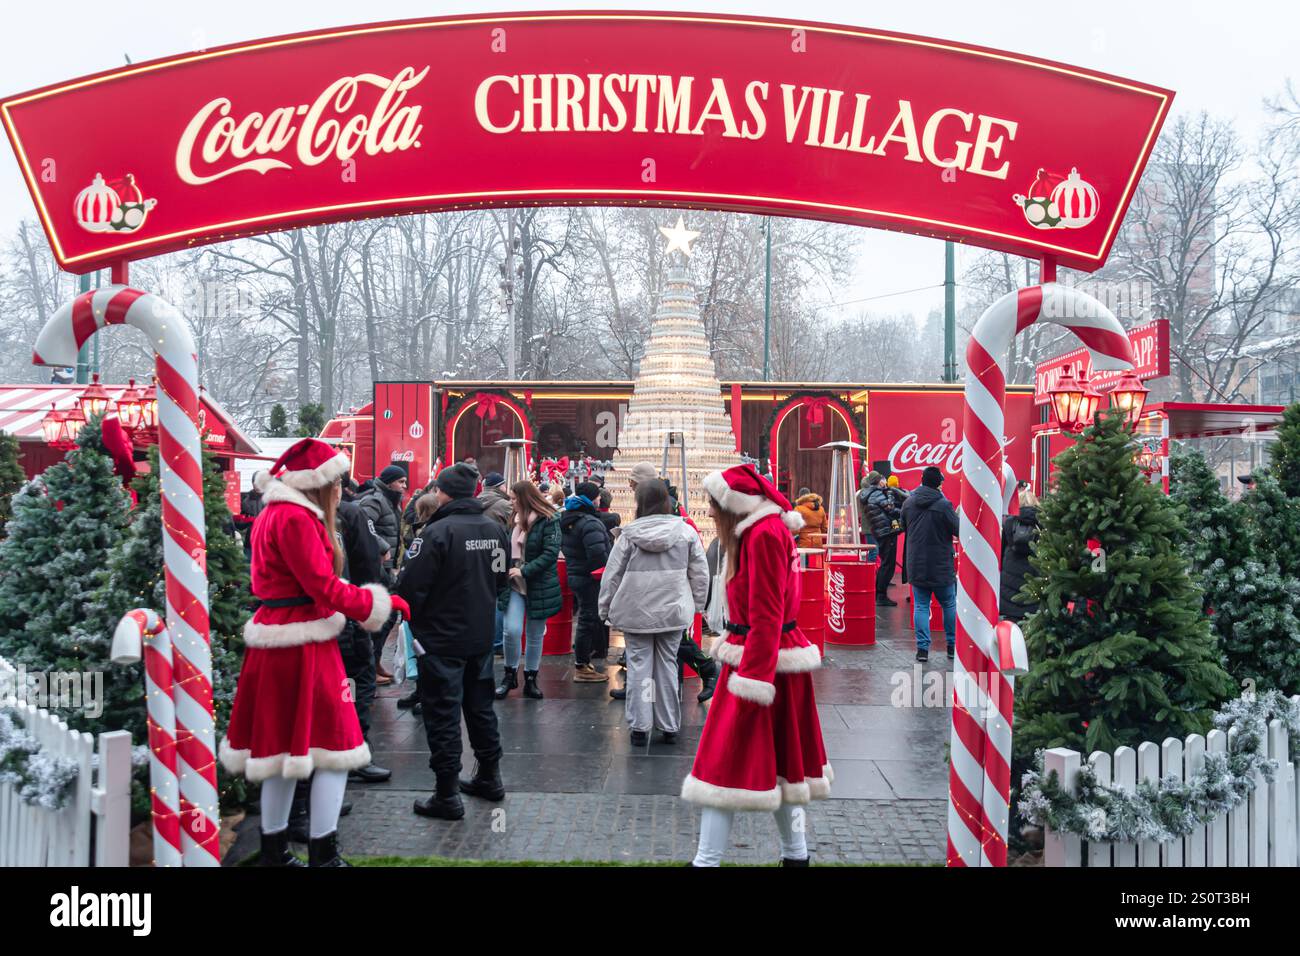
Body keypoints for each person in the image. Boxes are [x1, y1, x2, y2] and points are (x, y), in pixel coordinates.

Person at [219, 438, 408, 867]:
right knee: (337, 747)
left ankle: (275, 851)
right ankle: (323, 853)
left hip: (277, 639)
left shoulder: (272, 513)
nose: (342, 487)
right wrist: (377, 604)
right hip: (304, 644)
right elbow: (322, 586)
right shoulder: (299, 519)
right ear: (320, 483)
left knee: (281, 753)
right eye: (337, 480)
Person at [682, 464, 829, 867]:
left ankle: (706, 862)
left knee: (720, 760)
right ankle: (795, 856)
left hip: (758, 663)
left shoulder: (762, 536)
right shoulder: (767, 531)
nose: (709, 512)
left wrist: (752, 682)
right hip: (767, 661)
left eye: (714, 504)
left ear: (734, 505)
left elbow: (767, 615)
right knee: (787, 767)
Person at [396, 462, 510, 820]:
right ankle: (490, 776)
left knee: (442, 714)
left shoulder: (436, 532)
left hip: (441, 639)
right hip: (478, 635)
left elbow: (410, 587)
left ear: (443, 493)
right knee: (480, 709)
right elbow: (501, 580)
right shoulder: (494, 528)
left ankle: (446, 793)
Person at [599, 478, 709, 746]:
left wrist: (605, 608)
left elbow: (611, 576)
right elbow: (701, 574)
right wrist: (696, 604)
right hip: (672, 612)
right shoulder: (686, 533)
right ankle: (669, 724)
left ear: (640, 504)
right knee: (668, 666)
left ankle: (640, 725)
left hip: (636, 613)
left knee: (639, 667)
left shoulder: (628, 536)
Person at [495, 481, 562, 700]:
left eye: (514, 498)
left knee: (534, 634)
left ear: (525, 498)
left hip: (537, 583)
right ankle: (510, 674)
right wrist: (499, 571)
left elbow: (550, 553)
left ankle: (531, 678)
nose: (511, 501)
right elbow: (501, 549)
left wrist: (524, 571)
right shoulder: (511, 520)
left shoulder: (548, 520)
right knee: (511, 630)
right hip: (513, 583)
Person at [900, 466, 959, 663]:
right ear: (939, 483)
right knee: (949, 603)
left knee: (921, 606)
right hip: (941, 563)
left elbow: (902, 525)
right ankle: (952, 646)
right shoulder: (944, 505)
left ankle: (922, 650)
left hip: (916, 562)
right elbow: (958, 529)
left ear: (922, 480)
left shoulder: (909, 503)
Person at [356, 464, 408, 683]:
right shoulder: (375, 501)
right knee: (383, 616)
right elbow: (363, 527)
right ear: (389, 482)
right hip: (377, 568)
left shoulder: (390, 502)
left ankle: (375, 661)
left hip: (387, 568)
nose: (404, 486)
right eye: (400, 482)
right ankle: (371, 664)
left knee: (388, 615)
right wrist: (383, 547)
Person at [559, 480, 613, 682]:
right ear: (591, 499)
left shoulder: (570, 519)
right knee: (587, 619)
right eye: (597, 496)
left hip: (577, 574)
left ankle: (585, 661)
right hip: (590, 578)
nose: (600, 499)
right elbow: (598, 554)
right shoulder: (589, 523)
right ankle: (582, 665)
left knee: (586, 617)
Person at [1000, 488, 1042, 621]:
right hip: (1034, 573)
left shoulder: (1009, 522)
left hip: (1010, 576)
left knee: (1011, 621)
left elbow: (1002, 549)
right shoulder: (1042, 523)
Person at [864, 471, 902, 606]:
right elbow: (890, 508)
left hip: (880, 531)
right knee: (888, 564)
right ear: (878, 481)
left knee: (885, 563)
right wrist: (891, 495)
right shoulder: (877, 494)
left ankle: (879, 593)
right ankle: (881, 595)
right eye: (883, 479)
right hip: (886, 532)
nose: (885, 481)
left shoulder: (869, 494)